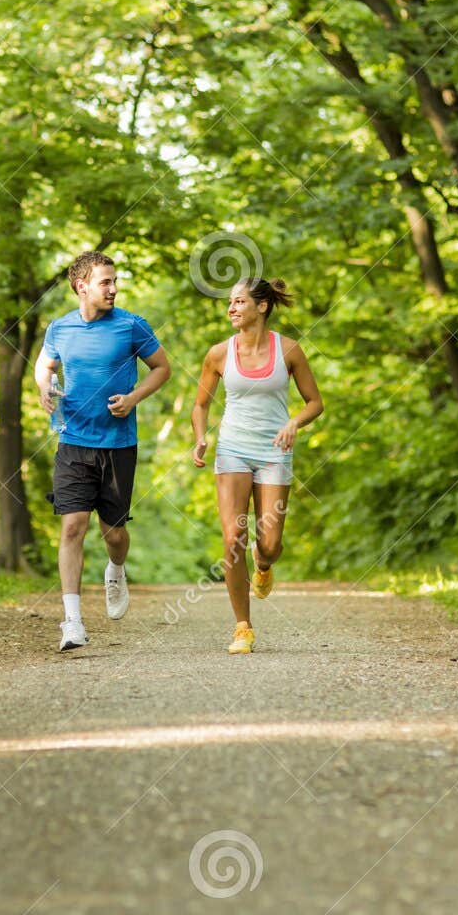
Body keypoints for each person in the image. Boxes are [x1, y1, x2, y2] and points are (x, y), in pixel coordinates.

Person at [35, 252, 171, 651]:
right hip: (73, 440)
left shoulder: (131, 325)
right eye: (105, 282)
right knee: (72, 525)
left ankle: (116, 569)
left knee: (113, 533)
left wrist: (133, 398)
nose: (113, 289)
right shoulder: (59, 329)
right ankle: (72, 622)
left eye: (114, 281)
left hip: (117, 445)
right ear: (82, 286)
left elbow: (162, 368)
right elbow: (44, 366)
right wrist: (44, 386)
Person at [191, 277, 323, 654]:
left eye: (239, 302)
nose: (231, 308)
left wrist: (294, 422)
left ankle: (263, 566)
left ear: (261, 306)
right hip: (232, 449)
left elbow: (315, 401)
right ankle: (242, 627)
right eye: (230, 303)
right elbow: (200, 404)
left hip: (274, 451)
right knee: (233, 538)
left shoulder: (290, 350)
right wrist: (201, 436)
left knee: (270, 543)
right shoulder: (218, 353)